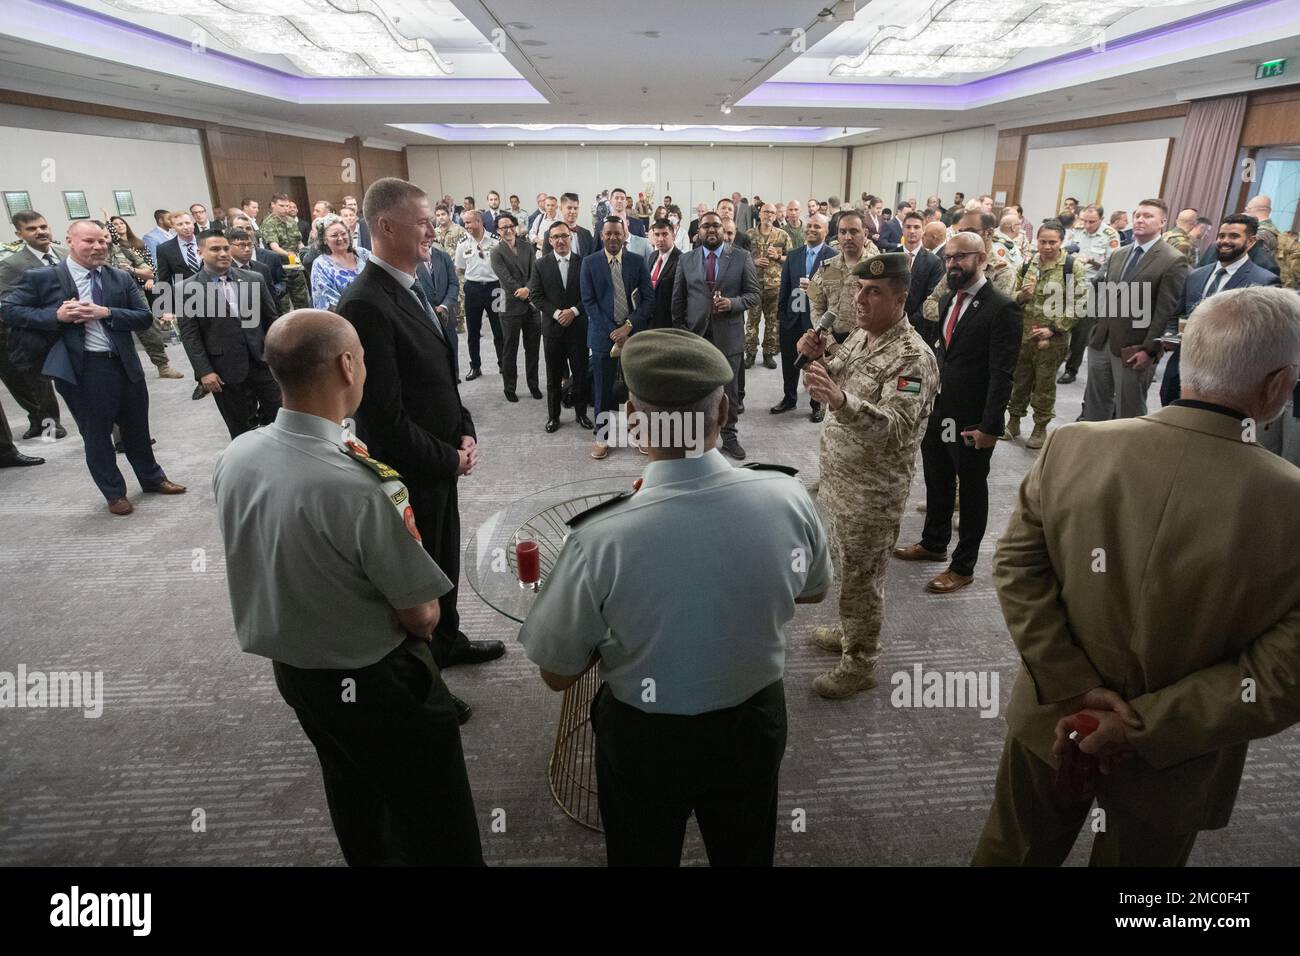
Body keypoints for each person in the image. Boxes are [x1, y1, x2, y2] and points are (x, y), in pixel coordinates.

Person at [974, 286, 1300, 866]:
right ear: (1278, 384)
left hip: (1055, 719)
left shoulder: (1071, 446)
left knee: (1014, 854)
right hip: (1180, 755)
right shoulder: (1290, 503)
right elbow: (1282, 671)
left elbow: (1019, 567)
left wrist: (1072, 682)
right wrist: (1143, 725)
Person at [517, 327, 832, 866]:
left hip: (648, 739)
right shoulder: (788, 495)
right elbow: (813, 590)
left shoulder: (599, 537)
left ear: (634, 420)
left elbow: (556, 673)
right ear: (726, 407)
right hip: (752, 725)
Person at [213, 309, 482, 866]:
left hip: (296, 673)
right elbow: (422, 615)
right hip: (379, 678)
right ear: (348, 364)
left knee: (354, 796)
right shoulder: (362, 486)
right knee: (436, 813)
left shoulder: (237, 453)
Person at [337, 178, 502, 723]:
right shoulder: (366, 302)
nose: (436, 230)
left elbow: (436, 381)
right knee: (416, 580)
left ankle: (448, 642)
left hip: (439, 458)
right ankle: (427, 685)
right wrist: (446, 457)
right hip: (411, 470)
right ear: (386, 227)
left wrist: (465, 428)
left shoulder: (411, 283)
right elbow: (382, 418)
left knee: (442, 560)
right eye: (425, 222)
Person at [795, 253, 938, 698]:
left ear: (900, 297)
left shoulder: (913, 358)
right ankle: (847, 629)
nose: (859, 299)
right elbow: (838, 376)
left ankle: (860, 662)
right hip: (839, 480)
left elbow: (897, 428)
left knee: (863, 578)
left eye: (872, 291)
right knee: (844, 567)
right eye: (858, 289)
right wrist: (820, 358)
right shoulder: (861, 335)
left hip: (872, 493)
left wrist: (840, 401)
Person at [0, 220, 186, 514]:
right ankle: (114, 494)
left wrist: (107, 312)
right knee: (97, 435)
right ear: (70, 242)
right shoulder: (44, 278)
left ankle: (152, 479)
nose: (98, 246)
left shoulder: (119, 278)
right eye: (89, 241)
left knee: (137, 429)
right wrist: (55, 316)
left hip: (126, 366)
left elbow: (143, 317)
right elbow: (8, 309)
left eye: (102, 241)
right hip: (83, 370)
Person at [893, 231, 1020, 593]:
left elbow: (1002, 373)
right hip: (940, 409)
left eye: (960, 257)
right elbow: (942, 355)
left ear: (982, 259)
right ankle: (934, 543)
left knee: (973, 491)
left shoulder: (1003, 308)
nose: (952, 264)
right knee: (937, 477)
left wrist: (990, 426)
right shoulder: (949, 300)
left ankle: (963, 566)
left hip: (972, 419)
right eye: (948, 258)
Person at [1159, 215, 1280, 409]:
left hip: (1225, 376)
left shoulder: (1264, 282)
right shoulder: (1196, 275)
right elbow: (1176, 314)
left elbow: (1263, 336)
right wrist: (1170, 334)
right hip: (1182, 369)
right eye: (1221, 235)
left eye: (1233, 236)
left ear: (1250, 241)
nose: (1225, 241)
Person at [1083, 198, 1187, 422]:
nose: (1140, 220)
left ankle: (1128, 455)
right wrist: (1096, 327)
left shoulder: (1173, 259)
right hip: (1102, 341)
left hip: (1134, 348)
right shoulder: (1119, 254)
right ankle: (1093, 449)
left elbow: (1165, 310)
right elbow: (1105, 292)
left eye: (1148, 216)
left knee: (1128, 409)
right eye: (1138, 215)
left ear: (1162, 222)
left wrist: (1150, 350)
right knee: (1095, 404)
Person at [176, 230, 282, 439]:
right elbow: (190, 335)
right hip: (224, 371)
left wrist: (278, 358)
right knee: (240, 428)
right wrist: (204, 372)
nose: (223, 253)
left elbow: (272, 320)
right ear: (200, 252)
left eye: (225, 248)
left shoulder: (254, 279)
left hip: (262, 363)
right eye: (215, 249)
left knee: (281, 418)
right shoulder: (187, 288)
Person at [671, 211, 759, 460]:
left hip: (728, 337)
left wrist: (732, 303)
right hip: (696, 336)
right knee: (696, 388)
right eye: (706, 226)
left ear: (724, 230)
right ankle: (697, 436)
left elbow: (754, 295)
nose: (711, 230)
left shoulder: (741, 257)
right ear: (698, 231)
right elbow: (677, 300)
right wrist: (682, 333)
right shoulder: (686, 260)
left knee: (728, 390)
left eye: (716, 226)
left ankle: (729, 436)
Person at [1002, 221, 1086, 449]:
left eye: (1052, 242)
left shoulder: (1070, 267)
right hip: (1024, 335)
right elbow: (1010, 294)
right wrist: (1021, 295)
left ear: (1061, 242)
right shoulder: (1027, 262)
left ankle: (1040, 427)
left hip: (1051, 340)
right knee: (1019, 381)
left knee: (1044, 385)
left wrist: (1056, 328)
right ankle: (1013, 421)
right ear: (1036, 241)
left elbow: (1081, 303)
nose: (1047, 246)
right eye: (1043, 241)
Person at [580, 216, 654, 459]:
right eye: (608, 233)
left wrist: (628, 327)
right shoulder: (589, 263)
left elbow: (648, 299)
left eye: (617, 234)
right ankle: (603, 437)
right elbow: (589, 302)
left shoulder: (636, 261)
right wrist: (614, 331)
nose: (613, 237)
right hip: (603, 337)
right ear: (601, 235)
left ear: (625, 236)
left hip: (634, 335)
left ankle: (641, 434)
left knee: (637, 390)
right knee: (602, 390)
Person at [0, 211, 67, 440]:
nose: (40, 231)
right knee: (39, 384)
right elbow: (10, 305)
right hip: (36, 333)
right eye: (31, 229)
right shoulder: (12, 265)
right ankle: (48, 425)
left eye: (43, 226)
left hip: (73, 329)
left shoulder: (66, 254)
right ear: (19, 234)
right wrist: (52, 316)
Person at [528, 220, 591, 433]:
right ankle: (553, 417)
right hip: (553, 331)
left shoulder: (584, 263)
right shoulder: (540, 265)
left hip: (578, 328)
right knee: (553, 376)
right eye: (555, 237)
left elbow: (590, 296)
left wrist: (573, 312)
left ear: (570, 237)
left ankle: (581, 414)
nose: (560, 240)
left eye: (564, 236)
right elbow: (536, 296)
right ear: (549, 240)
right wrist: (557, 314)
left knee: (580, 374)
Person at [772, 213, 834, 417]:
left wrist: (814, 288)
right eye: (809, 226)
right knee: (790, 360)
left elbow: (833, 293)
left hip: (816, 323)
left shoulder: (832, 257)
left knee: (816, 364)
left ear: (826, 231)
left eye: (817, 226)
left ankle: (817, 404)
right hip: (792, 318)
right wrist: (781, 313)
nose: (811, 229)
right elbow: (785, 286)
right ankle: (789, 398)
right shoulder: (794, 254)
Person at [1056, 204, 1120, 385]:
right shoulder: (1076, 229)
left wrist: (1093, 261)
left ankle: (1071, 369)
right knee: (1061, 324)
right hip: (1070, 283)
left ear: (1101, 219)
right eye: (1084, 221)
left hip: (1093, 285)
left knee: (1081, 331)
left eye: (1091, 222)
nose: (1087, 225)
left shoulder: (1110, 235)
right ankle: (1055, 361)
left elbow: (1112, 264)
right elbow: (1065, 249)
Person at [489, 212, 542, 403]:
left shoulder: (528, 247)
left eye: (511, 225)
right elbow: (505, 278)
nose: (508, 230)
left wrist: (528, 289)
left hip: (531, 304)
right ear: (498, 231)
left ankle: (533, 384)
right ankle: (509, 387)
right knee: (510, 348)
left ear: (515, 226)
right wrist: (520, 290)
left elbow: (535, 271)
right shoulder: (496, 252)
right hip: (509, 304)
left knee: (533, 348)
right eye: (503, 227)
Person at [453, 209, 503, 381]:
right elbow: (460, 268)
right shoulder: (463, 243)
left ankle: (503, 364)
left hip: (495, 289)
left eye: (469, 222)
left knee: (499, 329)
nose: (466, 226)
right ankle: (475, 366)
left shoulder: (496, 242)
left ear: (479, 222)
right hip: (473, 289)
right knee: (473, 331)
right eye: (464, 223)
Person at [745, 203, 790, 370]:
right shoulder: (748, 235)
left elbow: (790, 259)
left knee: (772, 322)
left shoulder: (782, 235)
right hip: (753, 285)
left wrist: (778, 257)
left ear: (776, 215)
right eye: (766, 212)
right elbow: (740, 258)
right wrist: (754, 261)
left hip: (774, 286)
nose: (769, 215)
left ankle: (768, 354)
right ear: (760, 213)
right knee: (752, 322)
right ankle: (750, 353)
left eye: (772, 212)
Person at [899, 210, 944, 339]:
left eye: (917, 227)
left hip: (918, 328)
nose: (912, 231)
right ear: (902, 230)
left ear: (923, 230)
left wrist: (908, 322)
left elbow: (930, 297)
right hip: (888, 323)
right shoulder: (889, 256)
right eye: (908, 227)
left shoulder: (934, 262)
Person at [310, 218, 371, 311]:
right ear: (325, 240)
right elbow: (327, 304)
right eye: (334, 235)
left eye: (343, 233)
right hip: (346, 317)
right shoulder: (320, 264)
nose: (340, 238)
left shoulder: (363, 253)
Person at [261, 194, 310, 309]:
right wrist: (288, 254)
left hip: (295, 266)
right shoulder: (269, 223)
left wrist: (304, 253)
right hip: (280, 268)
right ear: (273, 205)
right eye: (281, 206)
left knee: (302, 300)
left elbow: (299, 242)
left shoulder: (291, 221)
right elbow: (273, 246)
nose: (285, 209)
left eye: (287, 206)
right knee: (283, 304)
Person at [646, 216, 681, 331]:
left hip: (669, 324)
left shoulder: (682, 260)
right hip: (649, 321)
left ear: (674, 236)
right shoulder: (652, 256)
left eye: (665, 234)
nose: (660, 239)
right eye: (657, 234)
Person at [152, 211, 202, 289]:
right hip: (186, 296)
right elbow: (164, 281)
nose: (185, 227)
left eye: (188, 223)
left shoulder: (207, 241)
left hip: (213, 293)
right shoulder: (164, 249)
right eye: (180, 224)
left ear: (193, 223)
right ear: (173, 227)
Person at [542, 193, 595, 258]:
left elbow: (591, 259)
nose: (573, 211)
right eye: (569, 208)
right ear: (561, 208)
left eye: (575, 208)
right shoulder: (549, 234)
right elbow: (546, 262)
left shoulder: (586, 234)